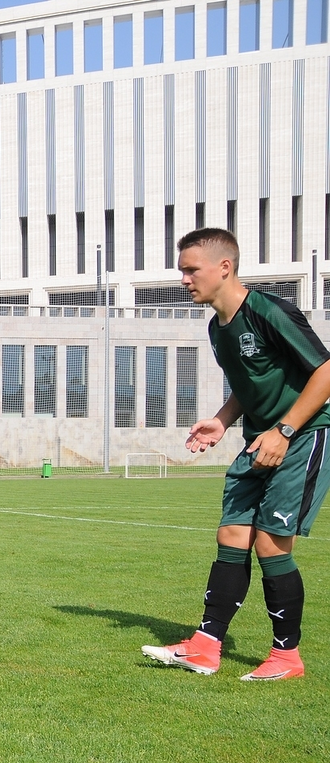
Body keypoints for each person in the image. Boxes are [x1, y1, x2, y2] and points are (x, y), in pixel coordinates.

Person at [142, 227, 330, 681]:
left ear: (224, 267)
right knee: (231, 534)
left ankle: (287, 657)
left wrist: (284, 431)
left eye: (192, 269)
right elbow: (250, 384)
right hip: (260, 438)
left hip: (304, 435)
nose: (184, 279)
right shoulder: (217, 328)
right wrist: (222, 420)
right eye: (182, 270)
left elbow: (325, 372)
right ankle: (205, 647)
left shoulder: (269, 310)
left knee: (269, 542)